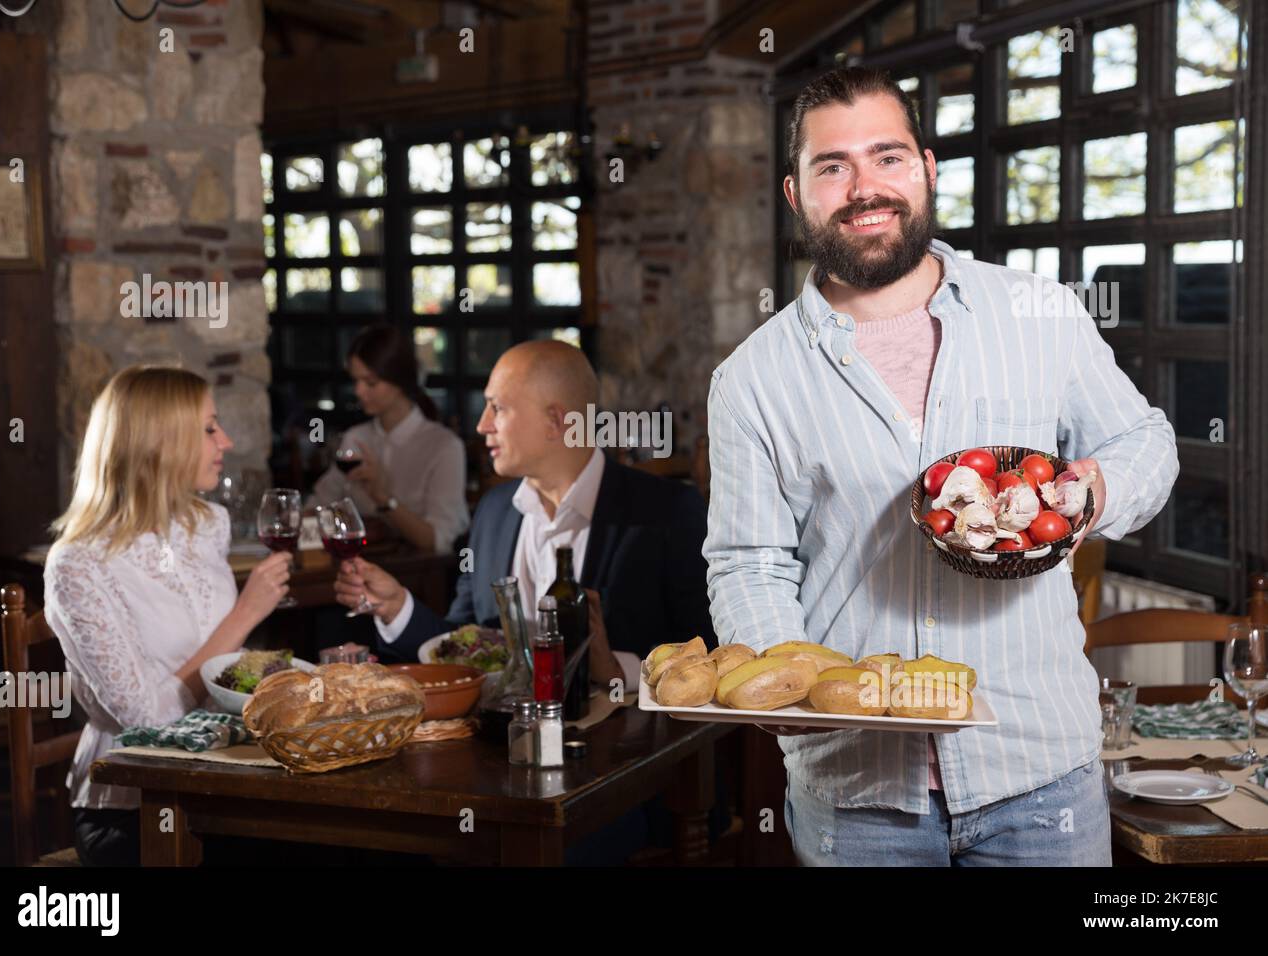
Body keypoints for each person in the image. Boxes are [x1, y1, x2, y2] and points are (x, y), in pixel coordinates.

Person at [704, 67, 1179, 867]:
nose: (864, 188)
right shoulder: (750, 379)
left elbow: (1146, 440)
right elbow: (749, 562)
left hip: (1039, 775)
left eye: (887, 157)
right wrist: (781, 673)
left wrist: (1099, 489)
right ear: (796, 193)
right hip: (856, 797)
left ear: (928, 168)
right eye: (833, 166)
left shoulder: (1039, 313)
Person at [334, 340, 714, 702]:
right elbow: (464, 643)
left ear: (554, 420)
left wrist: (615, 669)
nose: (482, 425)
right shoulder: (494, 511)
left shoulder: (669, 512)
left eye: (496, 408)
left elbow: (710, 653)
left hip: (631, 755)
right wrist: (397, 606)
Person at [44, 366, 292, 866]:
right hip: (137, 805)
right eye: (208, 428)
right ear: (159, 441)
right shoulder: (78, 565)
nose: (225, 439)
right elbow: (145, 720)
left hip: (230, 773)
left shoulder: (207, 524)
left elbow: (228, 667)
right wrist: (244, 615)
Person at [308, 325, 469, 553]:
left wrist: (384, 498)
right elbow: (318, 505)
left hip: (420, 576)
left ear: (400, 381)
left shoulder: (443, 447)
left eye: (371, 383)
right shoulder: (356, 437)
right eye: (355, 381)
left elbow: (438, 541)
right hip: (355, 566)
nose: (359, 391)